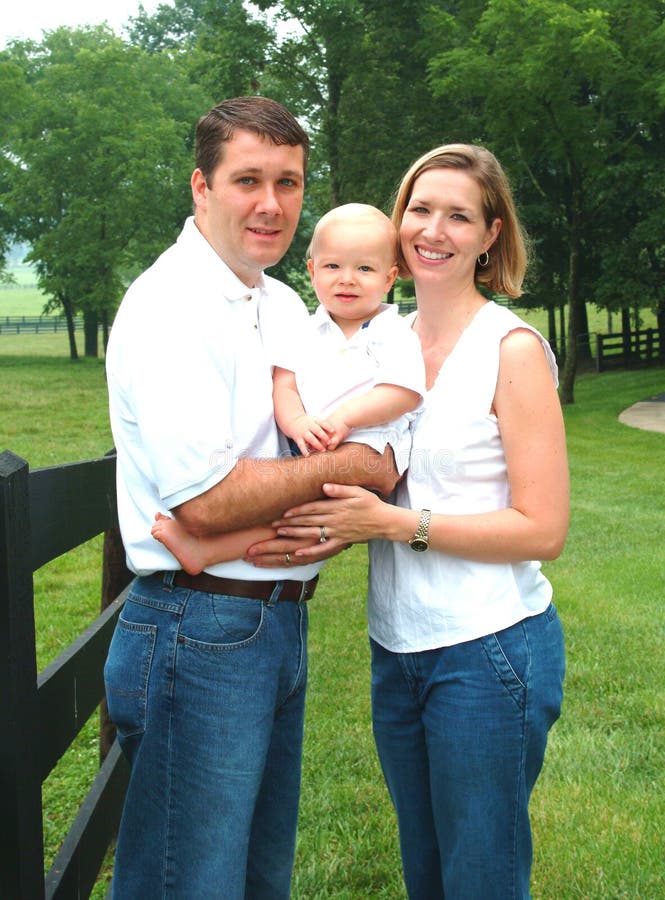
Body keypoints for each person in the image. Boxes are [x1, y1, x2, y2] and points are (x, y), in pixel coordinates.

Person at [103, 96, 398, 900]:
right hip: (196, 629)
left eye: (289, 182)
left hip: (269, 621)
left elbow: (339, 427)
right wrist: (364, 471)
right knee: (187, 883)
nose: (271, 204)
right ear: (200, 187)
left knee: (256, 879)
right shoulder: (171, 307)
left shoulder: (273, 301)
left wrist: (345, 505)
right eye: (247, 180)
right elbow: (203, 502)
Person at [257, 144, 569, 899]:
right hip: (396, 646)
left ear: (490, 235)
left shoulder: (512, 349)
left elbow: (542, 528)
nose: (433, 229)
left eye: (458, 215)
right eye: (420, 209)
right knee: (425, 874)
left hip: (487, 650)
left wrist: (394, 526)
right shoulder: (371, 339)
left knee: (481, 875)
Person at [151, 202, 425, 576]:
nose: (347, 279)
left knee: (308, 514)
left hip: (371, 442)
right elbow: (285, 384)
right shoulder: (303, 329)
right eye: (333, 266)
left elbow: (401, 392)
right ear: (312, 271)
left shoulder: (392, 332)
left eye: (364, 268)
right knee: (290, 511)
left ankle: (208, 550)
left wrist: (346, 418)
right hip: (308, 442)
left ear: (390, 278)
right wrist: (296, 422)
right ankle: (205, 549)